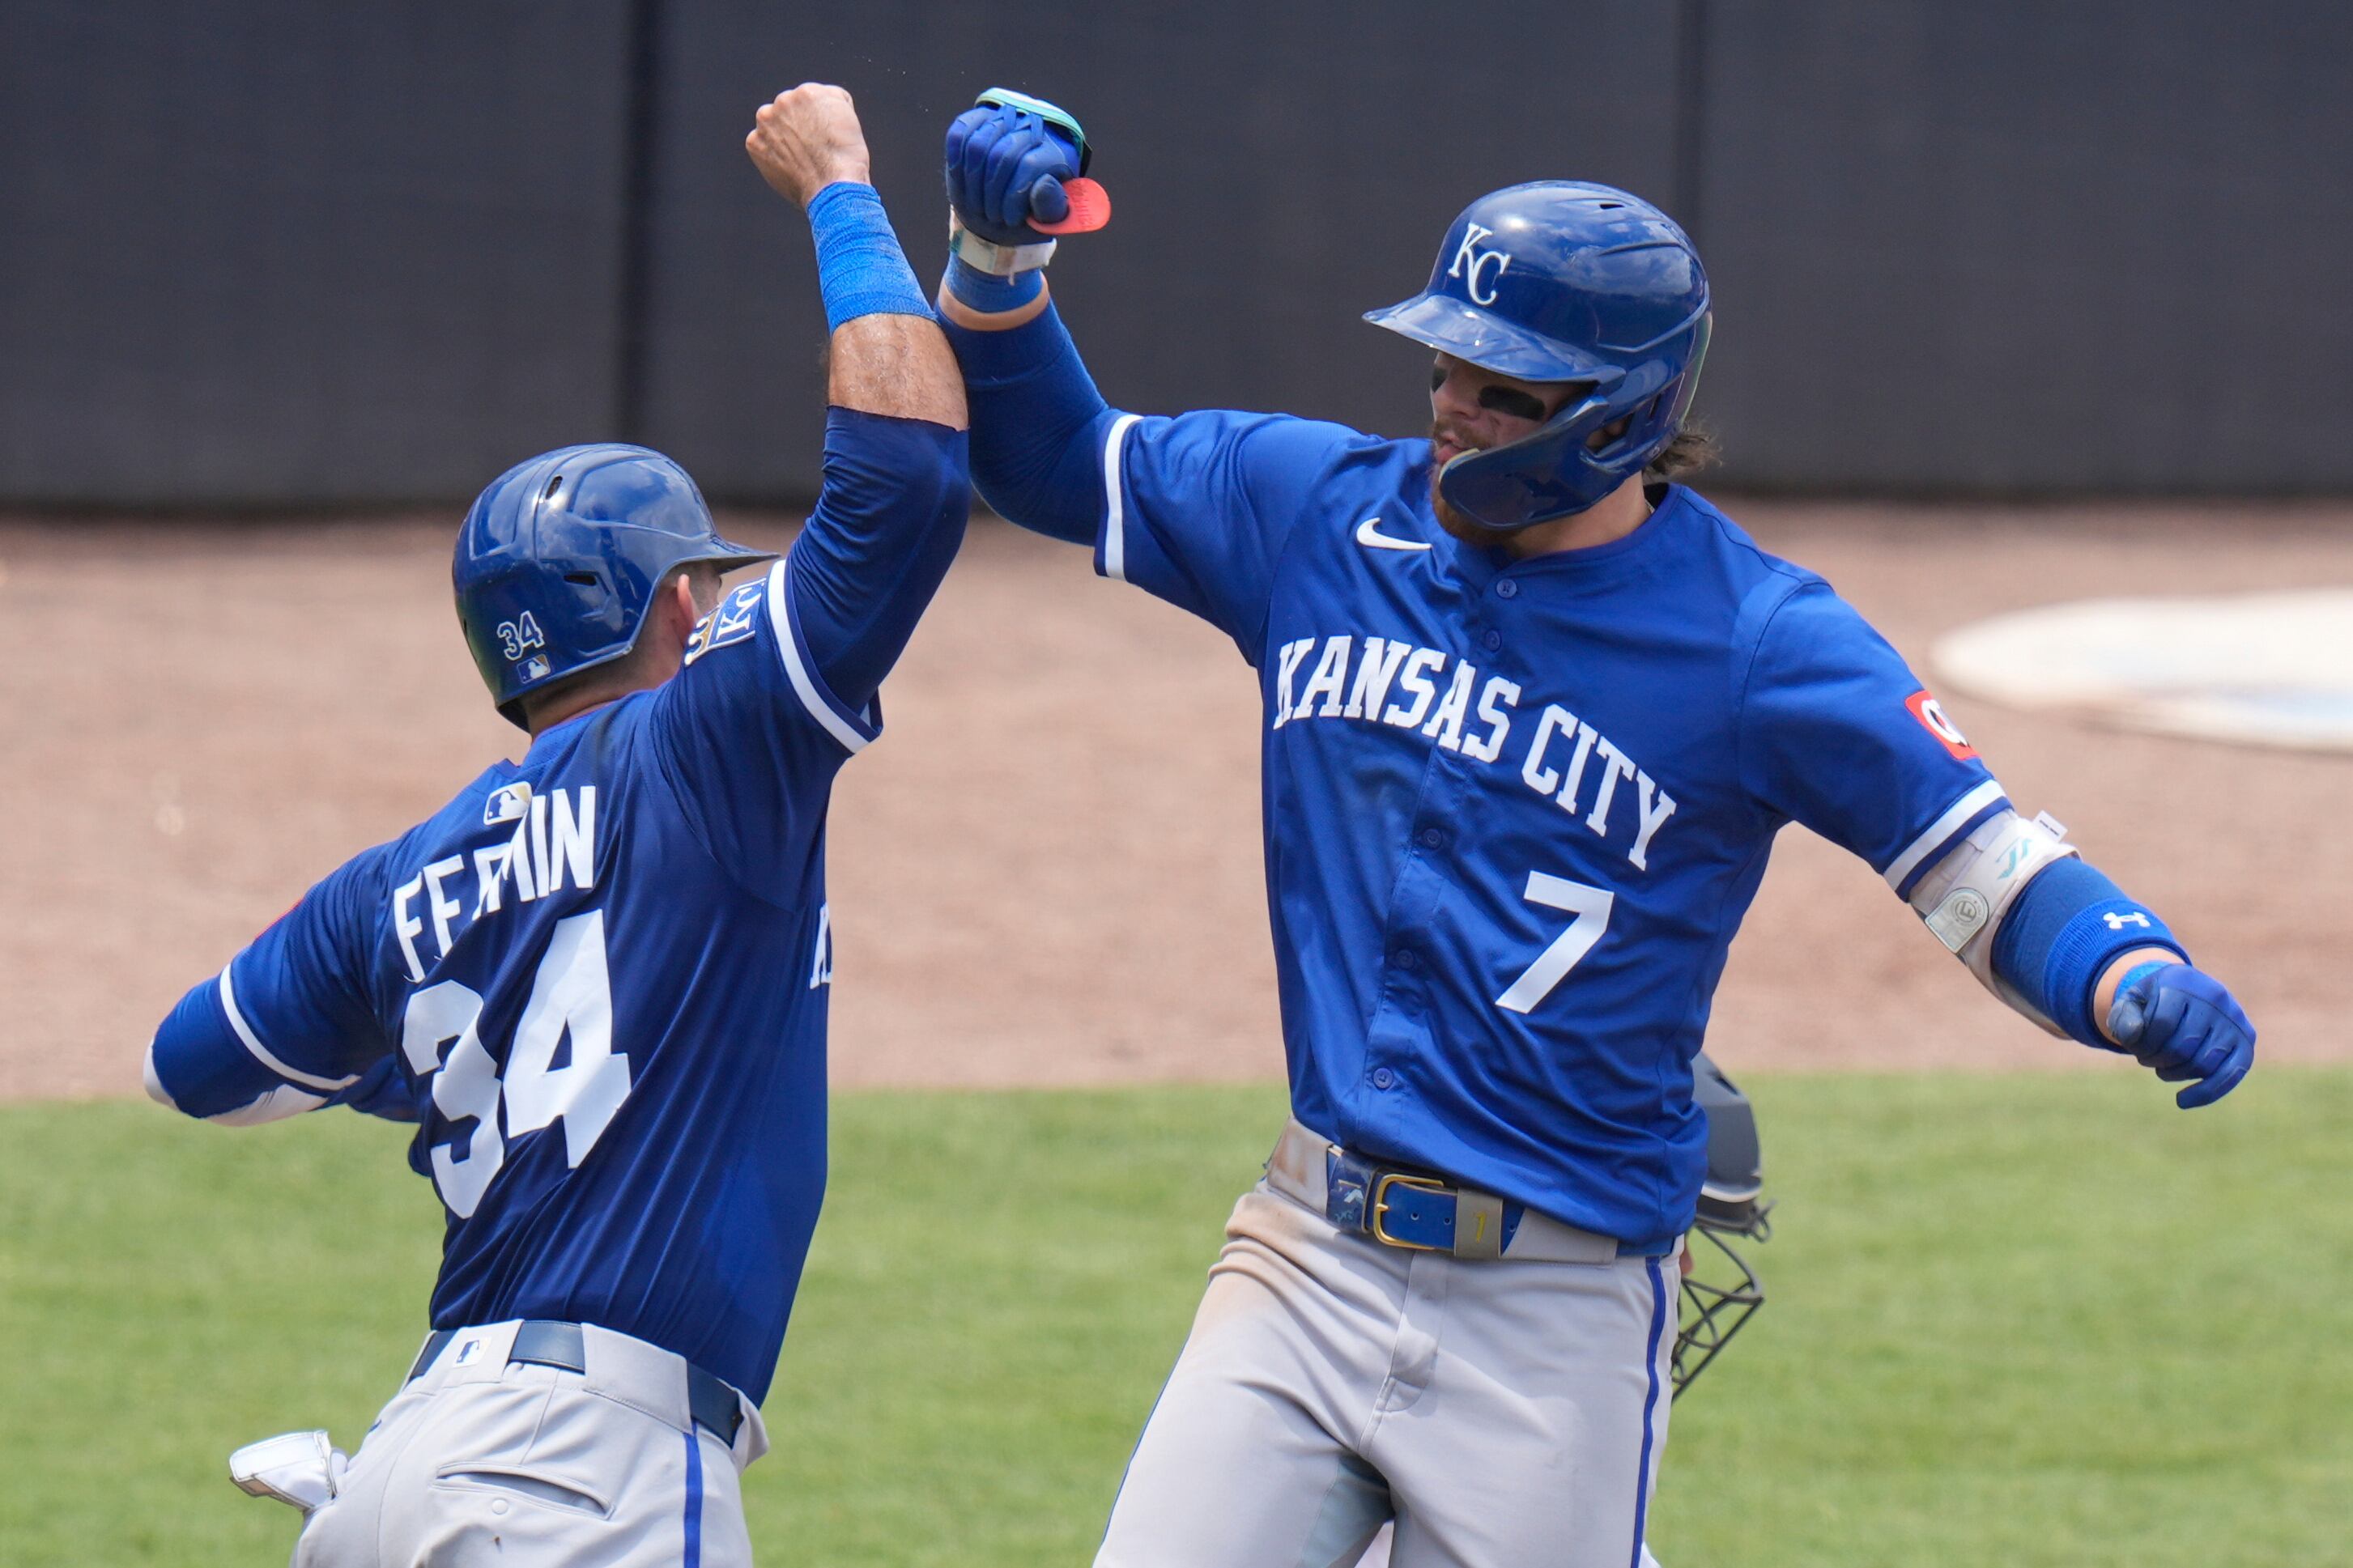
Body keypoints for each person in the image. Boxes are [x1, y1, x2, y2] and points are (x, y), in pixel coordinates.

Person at [928, 90, 2257, 1568]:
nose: (1454, 403)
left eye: (1507, 388)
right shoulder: (1315, 512)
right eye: (1448, 360)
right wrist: (995, 261)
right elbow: (1049, 459)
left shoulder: (1758, 640)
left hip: (1553, 1315)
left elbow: (1978, 862)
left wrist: (2122, 970)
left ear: (1624, 416)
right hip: (1304, 1249)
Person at [142, 83, 964, 1566]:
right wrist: (842, 190)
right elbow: (905, 489)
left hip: (393, 1481)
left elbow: (191, 1065)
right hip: (574, 1487)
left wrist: (454, 1050)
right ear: (675, 607)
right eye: (702, 585)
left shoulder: (399, 882)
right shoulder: (717, 741)